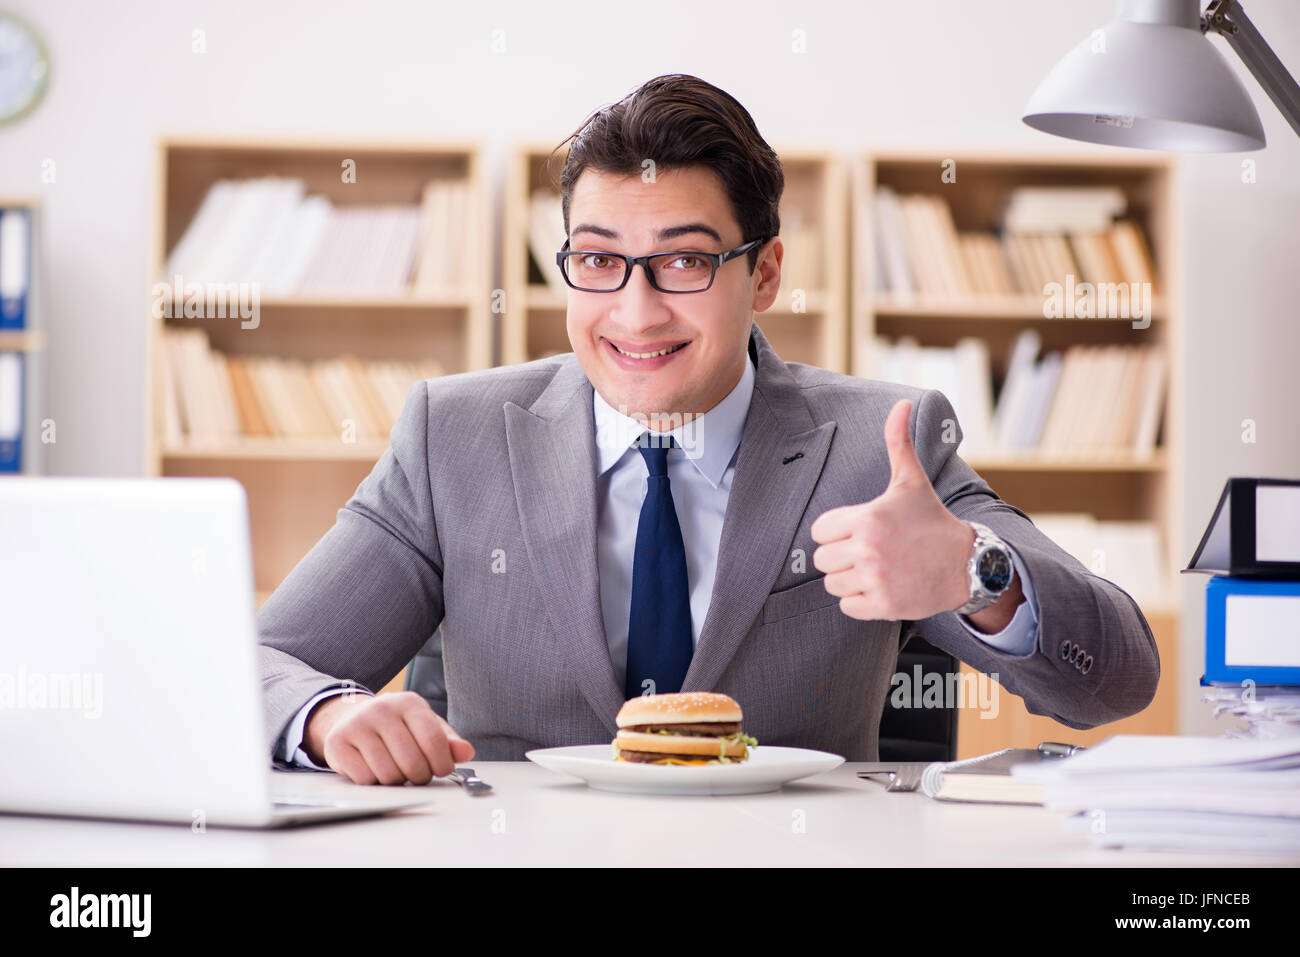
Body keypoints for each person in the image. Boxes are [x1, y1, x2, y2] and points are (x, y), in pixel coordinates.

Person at [257, 73, 1159, 785]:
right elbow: (259, 664)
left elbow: (1117, 677)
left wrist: (974, 569)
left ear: (764, 273)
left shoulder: (884, 444)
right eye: (600, 260)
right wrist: (328, 715)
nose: (636, 312)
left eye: (685, 260)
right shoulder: (449, 437)